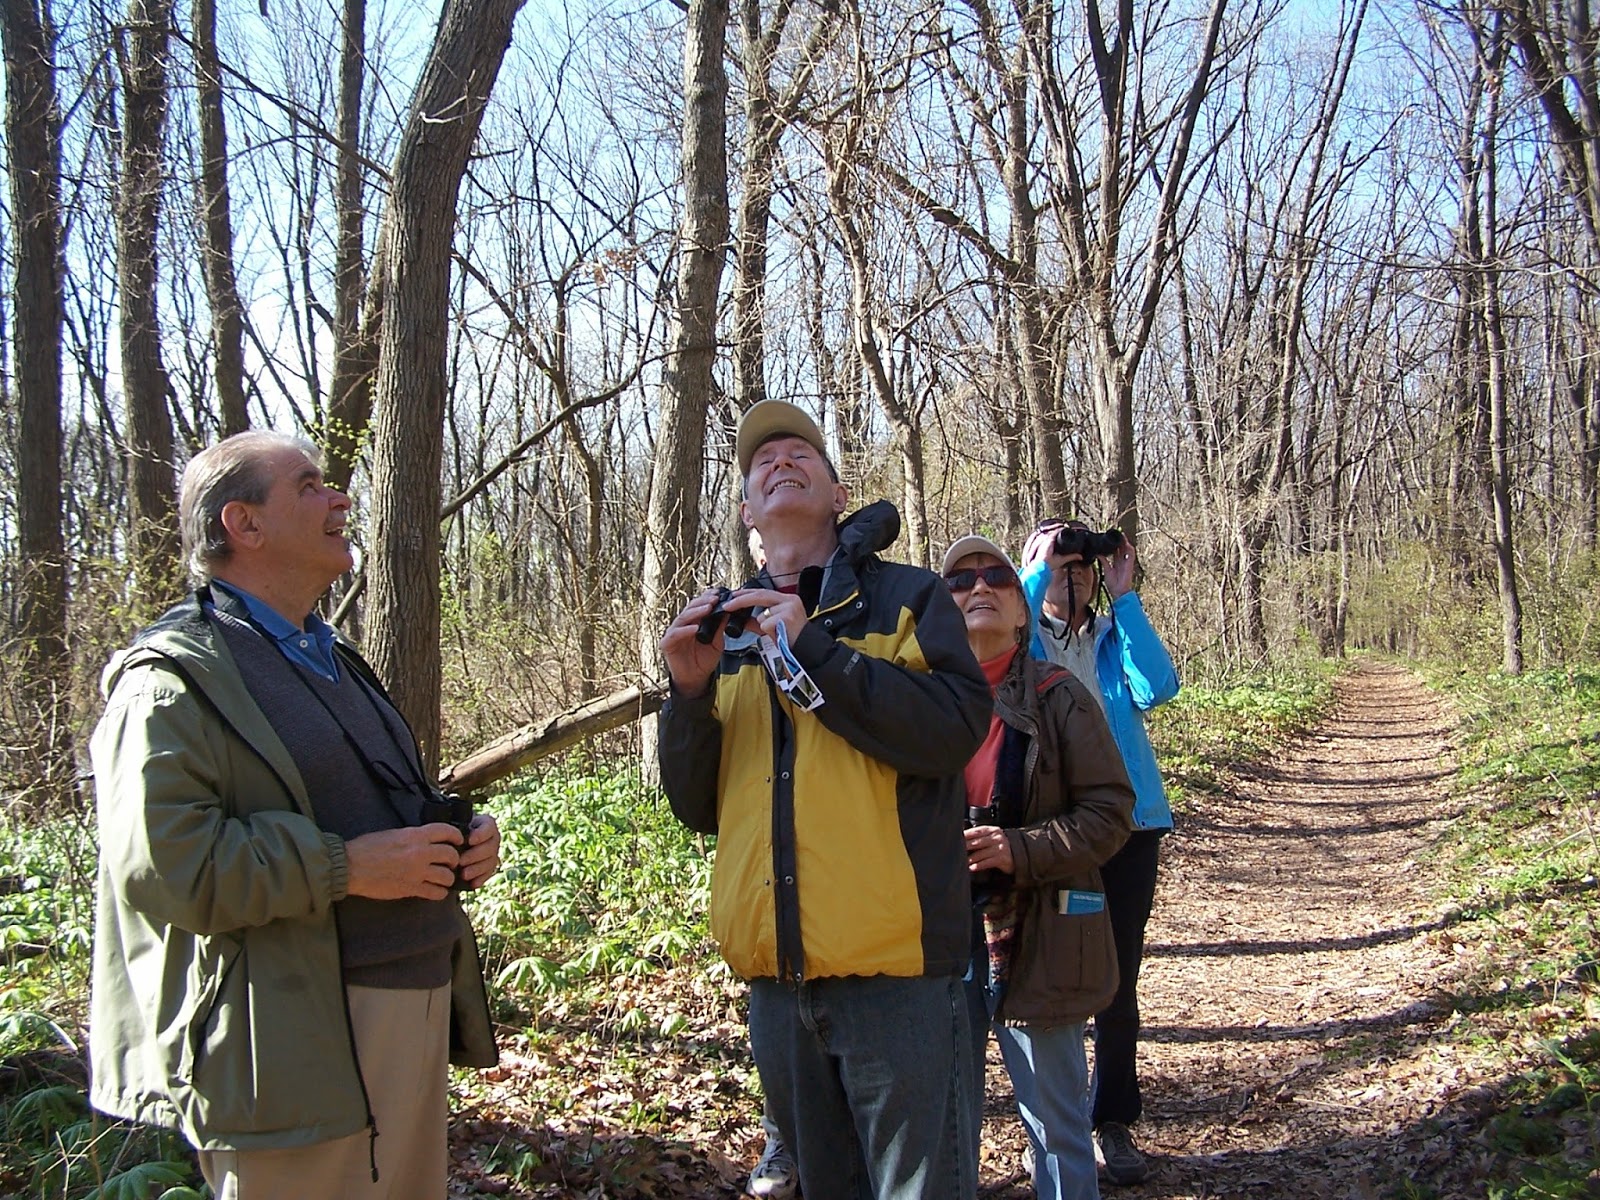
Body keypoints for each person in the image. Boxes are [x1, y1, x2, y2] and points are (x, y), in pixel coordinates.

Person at [89, 431, 502, 1200]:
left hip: (409, 1006)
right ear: (243, 524)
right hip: (287, 1044)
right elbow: (165, 863)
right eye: (309, 486)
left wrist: (460, 840)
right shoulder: (170, 679)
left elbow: (365, 801)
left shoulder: (330, 654)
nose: (340, 498)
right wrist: (346, 867)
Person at [658, 400, 992, 1200]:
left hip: (902, 977)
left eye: (801, 453)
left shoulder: (907, 599)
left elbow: (955, 729)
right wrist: (687, 694)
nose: (781, 461)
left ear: (839, 494)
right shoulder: (722, 630)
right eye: (763, 459)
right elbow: (699, 808)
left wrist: (811, 644)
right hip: (778, 989)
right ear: (745, 511)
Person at [943, 534, 1134, 1200]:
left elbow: (1112, 811)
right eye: (959, 582)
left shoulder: (1061, 696)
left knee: (1055, 1122)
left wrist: (1019, 850)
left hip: (1041, 932)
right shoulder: (915, 702)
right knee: (943, 1123)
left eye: (995, 575)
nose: (978, 589)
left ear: (1022, 610)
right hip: (933, 932)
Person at [1018, 519, 1181, 1186]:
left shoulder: (1114, 638)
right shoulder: (1025, 640)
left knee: (1117, 979)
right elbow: (994, 642)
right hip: (1052, 827)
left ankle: (1112, 1119)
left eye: (1083, 564)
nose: (1073, 573)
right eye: (1063, 563)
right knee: (1045, 979)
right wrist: (1035, 570)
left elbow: (1159, 687)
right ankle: (1054, 1130)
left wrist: (1127, 597)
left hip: (1129, 824)